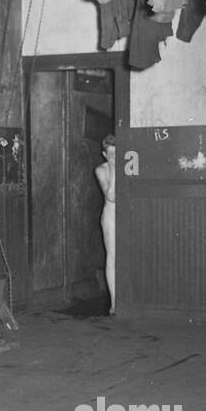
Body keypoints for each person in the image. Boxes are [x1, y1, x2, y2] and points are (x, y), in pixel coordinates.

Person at [94, 133, 116, 315]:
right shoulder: (101, 170)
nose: (114, 158)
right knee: (113, 256)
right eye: (110, 155)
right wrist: (114, 168)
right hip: (111, 215)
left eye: (117, 154)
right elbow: (112, 196)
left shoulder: (130, 167)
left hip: (126, 215)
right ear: (104, 155)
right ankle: (115, 302)